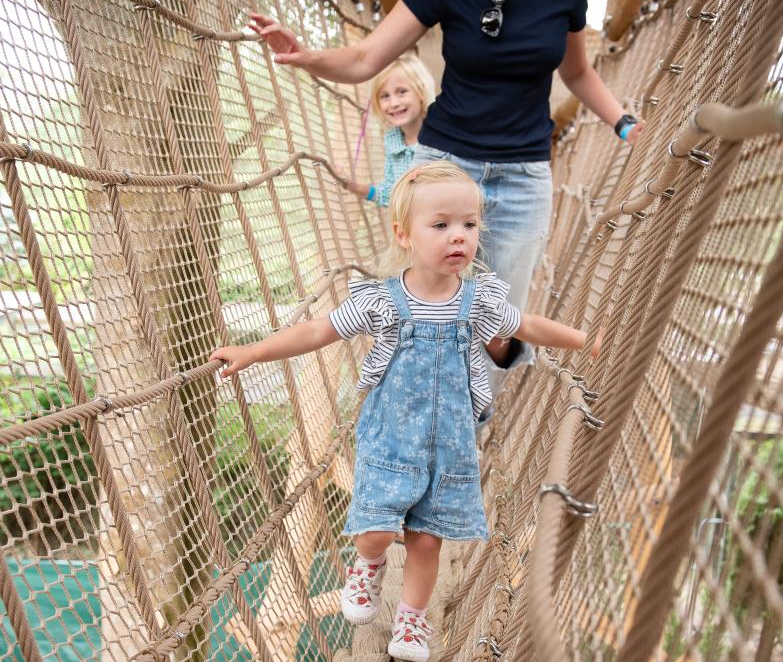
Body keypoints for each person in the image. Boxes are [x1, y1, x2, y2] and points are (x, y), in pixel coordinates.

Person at [208, 162, 600, 661]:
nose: (458, 236)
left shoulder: (479, 301)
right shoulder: (383, 302)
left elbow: (527, 325)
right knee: (376, 531)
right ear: (405, 234)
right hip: (389, 438)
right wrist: (252, 351)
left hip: (451, 445)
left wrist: (583, 340)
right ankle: (366, 565)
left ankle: (411, 623)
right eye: (441, 225)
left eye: (469, 225)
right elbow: (316, 331)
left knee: (426, 541)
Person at [250, 0, 643, 379]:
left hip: (522, 177)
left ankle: (468, 424)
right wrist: (307, 57)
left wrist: (623, 123)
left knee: (497, 327)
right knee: (419, 307)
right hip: (445, 165)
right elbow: (364, 58)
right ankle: (406, 412)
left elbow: (575, 72)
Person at [341, 55, 436, 207]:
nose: (394, 103)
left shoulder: (440, 135)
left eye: (402, 92)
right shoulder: (393, 141)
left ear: (420, 92)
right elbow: (391, 193)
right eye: (385, 96)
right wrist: (356, 187)